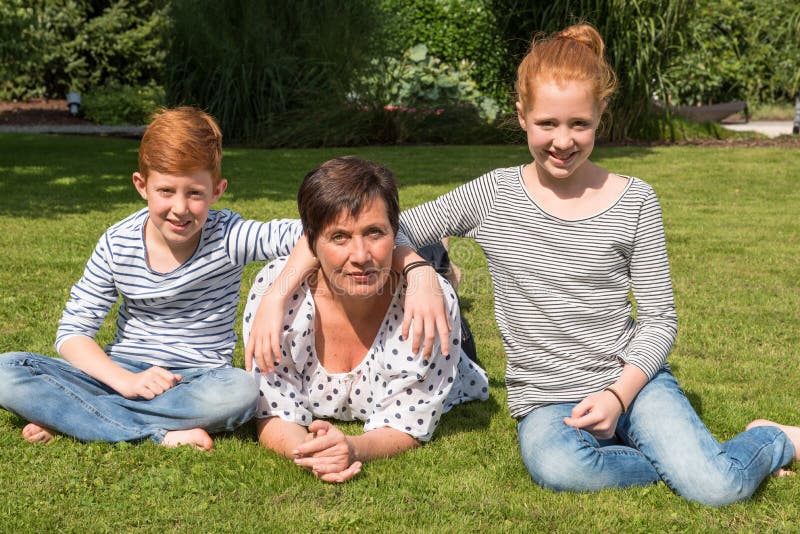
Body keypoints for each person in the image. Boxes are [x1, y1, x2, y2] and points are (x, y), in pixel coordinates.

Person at [392, 24, 800, 506]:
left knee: (716, 488)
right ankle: (683, 459)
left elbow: (659, 320)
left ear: (600, 115)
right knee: (559, 466)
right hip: (546, 401)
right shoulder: (493, 194)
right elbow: (391, 229)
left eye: (578, 124)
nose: (562, 141)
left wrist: (618, 396)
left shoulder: (635, 200)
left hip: (633, 380)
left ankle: (776, 439)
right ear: (522, 116)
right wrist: (419, 272)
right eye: (547, 124)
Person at [0, 107, 308, 450]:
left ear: (217, 190)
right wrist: (127, 382)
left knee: (240, 392)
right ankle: (154, 431)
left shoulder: (229, 236)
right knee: (6, 370)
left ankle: (73, 415)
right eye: (165, 191)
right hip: (120, 372)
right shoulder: (117, 243)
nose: (180, 208)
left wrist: (277, 294)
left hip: (198, 378)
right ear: (141, 185)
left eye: (195, 193)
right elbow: (72, 333)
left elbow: (318, 232)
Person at [243, 156, 489, 483]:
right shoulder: (278, 298)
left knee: (438, 288)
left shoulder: (431, 303)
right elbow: (273, 408)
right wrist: (311, 452)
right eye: (339, 237)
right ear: (311, 242)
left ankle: (435, 260)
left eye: (375, 232)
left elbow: (408, 421)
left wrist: (352, 447)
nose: (360, 256)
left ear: (395, 232)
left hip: (433, 322)